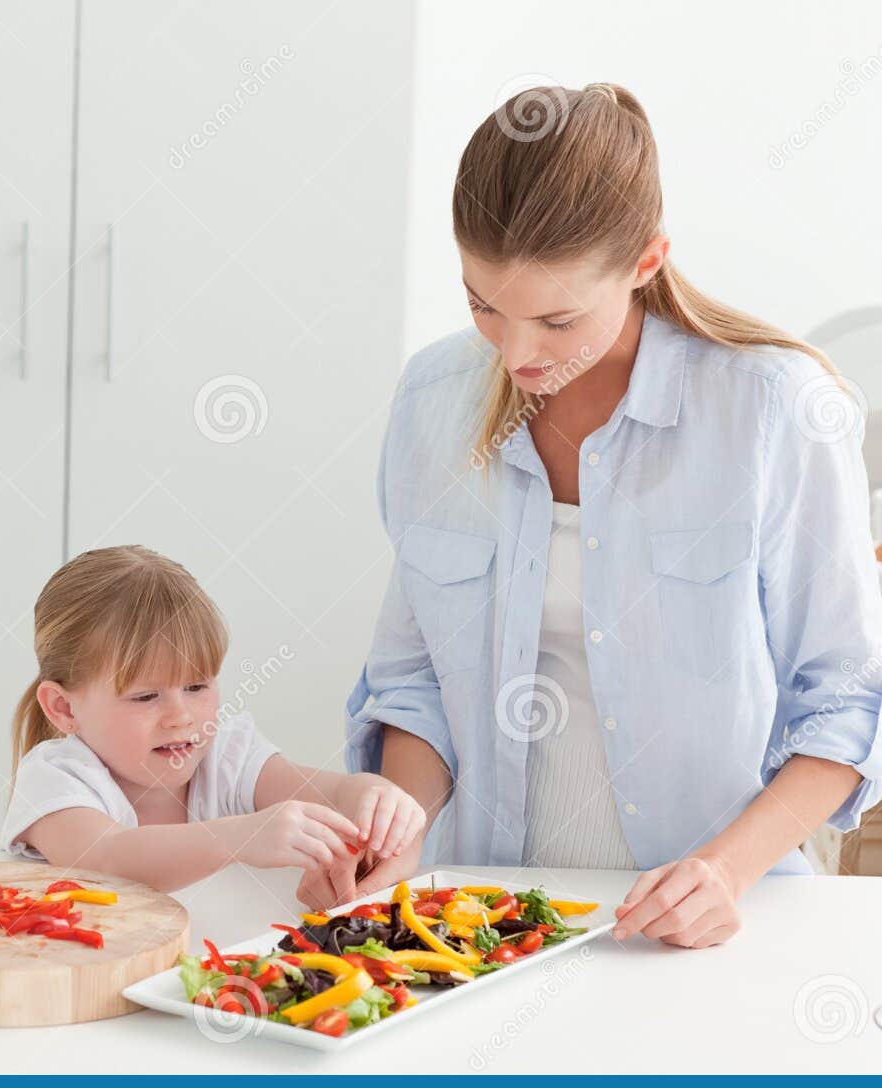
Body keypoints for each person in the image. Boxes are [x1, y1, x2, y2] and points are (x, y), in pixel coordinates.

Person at [343, 83, 882, 948]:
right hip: (480, 928)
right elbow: (414, 682)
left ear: (645, 261)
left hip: (709, 928)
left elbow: (849, 700)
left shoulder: (773, 411)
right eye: (484, 304)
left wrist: (723, 871)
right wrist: (395, 831)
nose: (516, 355)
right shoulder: (433, 398)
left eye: (557, 319)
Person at [0, 545, 424, 905]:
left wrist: (373, 797)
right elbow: (109, 860)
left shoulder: (227, 752)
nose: (181, 716)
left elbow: (329, 795)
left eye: (197, 686)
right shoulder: (53, 779)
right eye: (146, 697)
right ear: (64, 708)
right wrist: (243, 836)